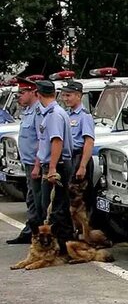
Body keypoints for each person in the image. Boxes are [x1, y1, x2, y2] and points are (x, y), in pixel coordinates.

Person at [30, 79, 74, 252]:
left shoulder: (54, 114)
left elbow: (57, 141)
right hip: (52, 163)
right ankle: (64, 244)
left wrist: (53, 168)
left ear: (38, 94)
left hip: (58, 165)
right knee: (52, 206)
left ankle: (63, 247)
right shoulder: (50, 113)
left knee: (55, 209)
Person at [5, 80, 41, 245]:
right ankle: (31, 231)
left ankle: (34, 232)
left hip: (35, 163)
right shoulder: (28, 112)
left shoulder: (39, 112)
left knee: (36, 199)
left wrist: (37, 164)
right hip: (28, 162)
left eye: (22, 93)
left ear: (33, 92)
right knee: (31, 198)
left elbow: (42, 141)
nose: (19, 96)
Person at [61, 79, 96, 188]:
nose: (65, 99)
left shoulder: (85, 116)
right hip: (68, 158)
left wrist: (82, 166)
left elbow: (89, 142)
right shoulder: (66, 114)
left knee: (78, 197)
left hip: (79, 158)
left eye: (68, 95)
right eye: (63, 95)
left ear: (78, 96)